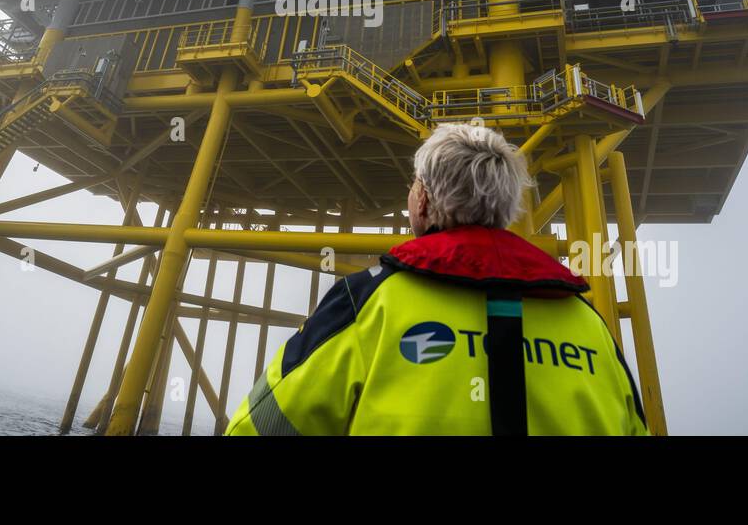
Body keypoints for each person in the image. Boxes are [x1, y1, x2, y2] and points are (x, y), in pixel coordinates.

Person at [225, 122, 648, 436]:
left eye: (414, 187)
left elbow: (261, 427)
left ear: (423, 200)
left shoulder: (370, 301)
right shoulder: (589, 324)